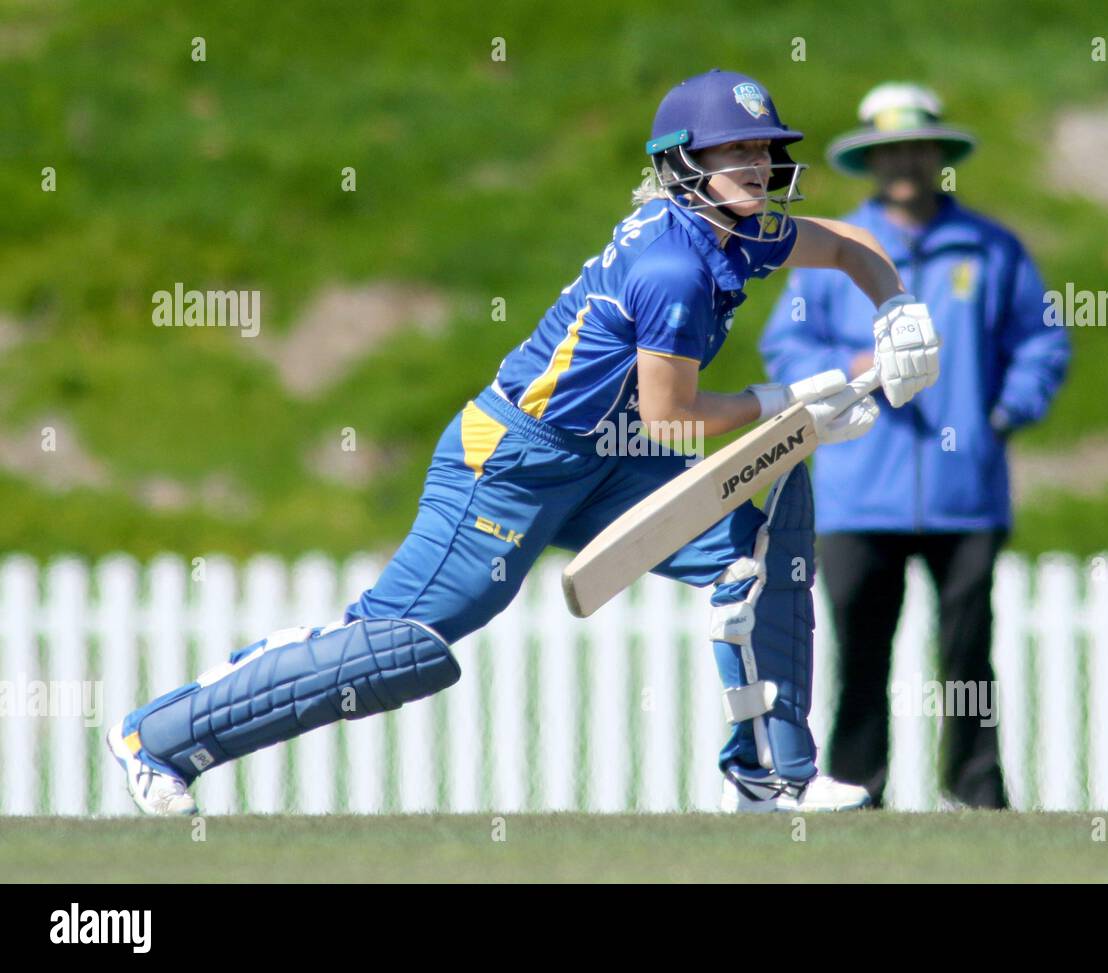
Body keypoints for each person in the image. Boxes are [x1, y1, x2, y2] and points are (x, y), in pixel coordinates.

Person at [106, 69, 940, 817]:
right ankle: (158, 737)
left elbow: (844, 244)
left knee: (755, 549)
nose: (758, 165)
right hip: (509, 463)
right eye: (735, 150)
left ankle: (772, 777)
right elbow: (670, 415)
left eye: (764, 146)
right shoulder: (673, 267)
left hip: (612, 455)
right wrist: (789, 399)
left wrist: (896, 306)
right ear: (684, 163)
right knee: (399, 644)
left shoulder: (735, 230)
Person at [760, 82, 1070, 809]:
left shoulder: (991, 248)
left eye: (916, 147)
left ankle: (976, 791)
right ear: (872, 160)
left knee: (966, 655)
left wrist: (1003, 412)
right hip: (858, 488)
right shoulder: (835, 249)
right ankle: (855, 792)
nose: (904, 161)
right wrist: (853, 374)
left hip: (967, 490)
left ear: (938, 155)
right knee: (860, 653)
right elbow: (787, 343)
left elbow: (1042, 339)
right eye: (888, 150)